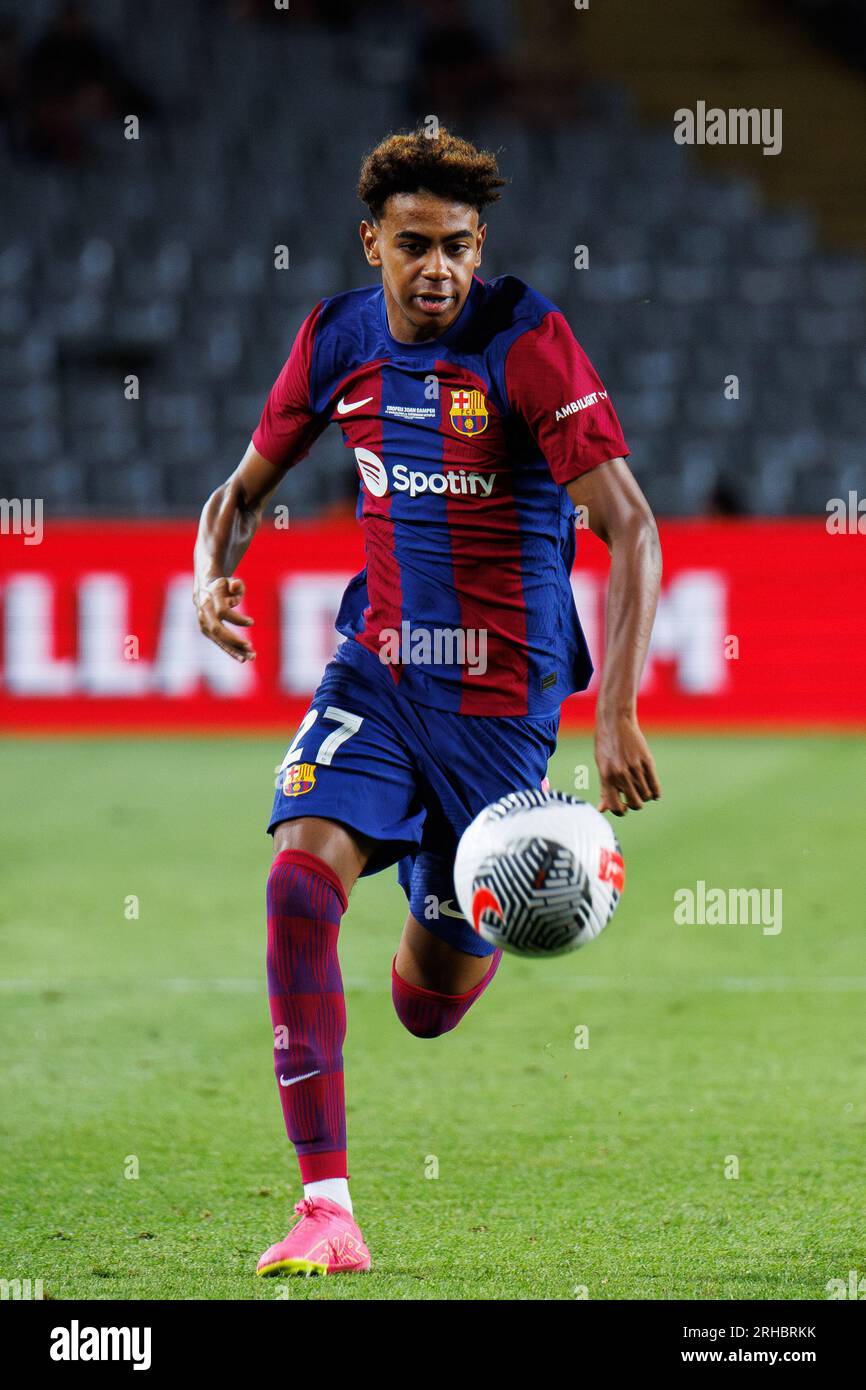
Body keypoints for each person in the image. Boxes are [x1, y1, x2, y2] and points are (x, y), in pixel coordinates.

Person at [193, 127, 662, 1277]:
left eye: (456, 244)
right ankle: (325, 1208)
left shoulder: (525, 342)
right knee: (296, 880)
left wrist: (612, 713)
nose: (437, 267)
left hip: (500, 715)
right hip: (379, 672)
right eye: (414, 245)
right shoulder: (335, 339)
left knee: (424, 1004)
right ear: (373, 244)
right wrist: (211, 573)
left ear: (479, 246)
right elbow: (239, 493)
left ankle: (461, 905)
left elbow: (630, 526)